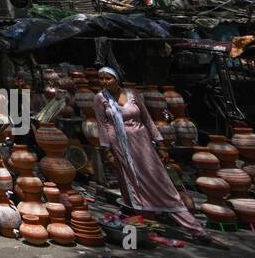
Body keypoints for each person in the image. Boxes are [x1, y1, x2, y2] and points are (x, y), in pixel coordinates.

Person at [92, 66, 226, 248]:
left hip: (143, 144)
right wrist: (106, 150)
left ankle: (196, 230)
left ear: (117, 79)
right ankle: (142, 226)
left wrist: (160, 143)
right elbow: (103, 126)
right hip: (121, 148)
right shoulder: (100, 99)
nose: (105, 82)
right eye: (101, 79)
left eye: (108, 78)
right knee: (132, 185)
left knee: (161, 182)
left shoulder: (133, 95)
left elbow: (147, 120)